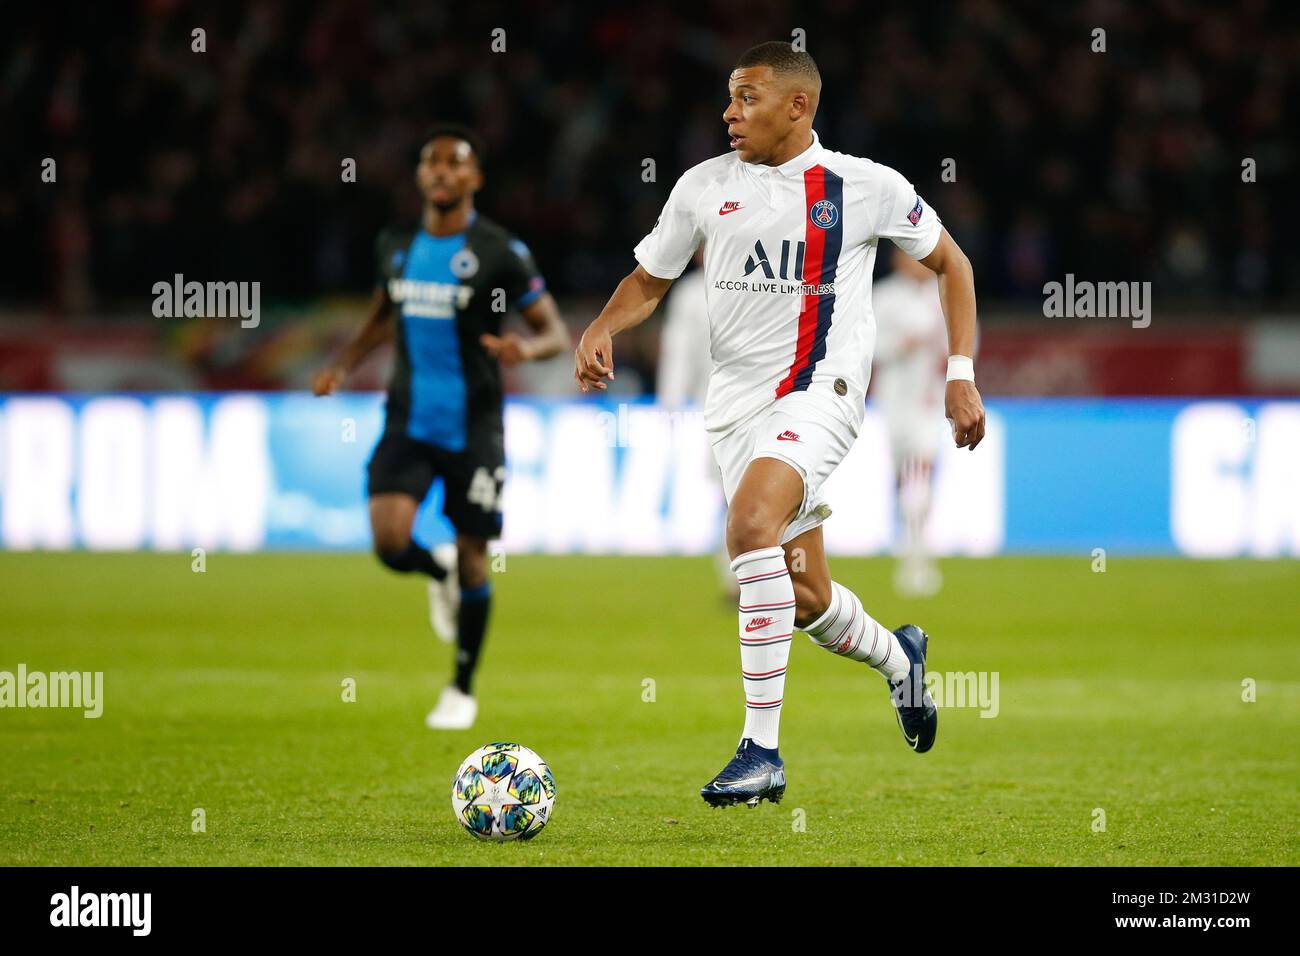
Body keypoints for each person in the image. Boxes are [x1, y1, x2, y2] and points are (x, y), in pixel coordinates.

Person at [574, 42, 985, 807]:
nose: (730, 113)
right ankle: (902, 660)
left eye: (747, 97)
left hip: (819, 394)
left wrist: (958, 376)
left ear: (798, 106)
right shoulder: (703, 188)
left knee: (749, 526)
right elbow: (647, 279)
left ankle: (760, 751)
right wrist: (604, 325)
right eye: (730, 98)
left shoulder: (863, 187)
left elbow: (952, 265)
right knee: (805, 597)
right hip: (734, 411)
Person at [314, 124, 569, 730]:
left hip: (473, 426)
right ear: (420, 176)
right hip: (407, 418)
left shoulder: (500, 251)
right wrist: (344, 364)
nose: (442, 173)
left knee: (477, 559)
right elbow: (382, 313)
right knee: (389, 541)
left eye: (456, 164)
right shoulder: (396, 244)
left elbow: (555, 333)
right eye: (432, 163)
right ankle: (438, 572)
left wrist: (522, 352)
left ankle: (460, 687)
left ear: (475, 179)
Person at [871, 244, 951, 597]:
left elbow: (966, 345)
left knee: (923, 469)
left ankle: (920, 556)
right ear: (898, 260)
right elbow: (866, 347)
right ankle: (909, 548)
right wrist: (899, 345)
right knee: (904, 476)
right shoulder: (883, 297)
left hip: (930, 405)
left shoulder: (945, 296)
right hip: (894, 404)